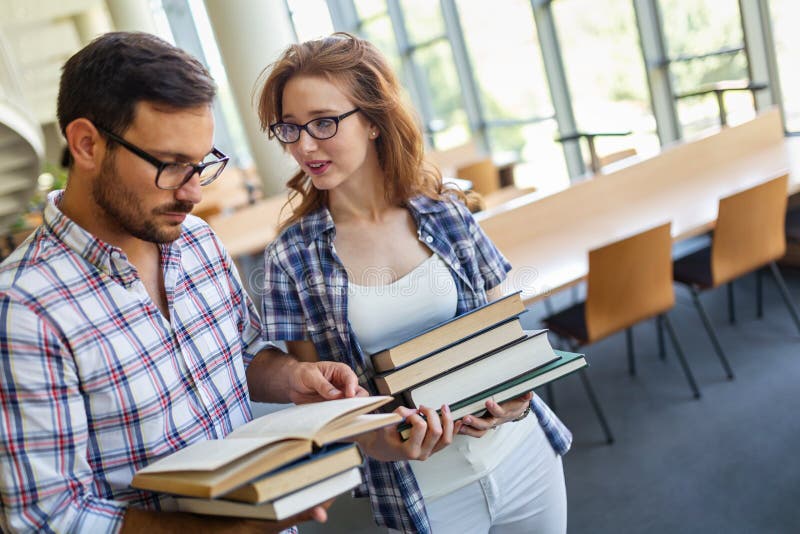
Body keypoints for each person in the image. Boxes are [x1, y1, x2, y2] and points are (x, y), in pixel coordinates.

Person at [0, 32, 366, 534]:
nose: (193, 192)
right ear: (87, 144)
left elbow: (243, 353)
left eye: (200, 164)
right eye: (171, 166)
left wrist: (293, 378)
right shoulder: (22, 310)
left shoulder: (196, 241)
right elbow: (50, 517)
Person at [255, 33, 573, 533]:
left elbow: (504, 331)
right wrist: (373, 440)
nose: (305, 146)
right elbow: (318, 399)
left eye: (323, 122)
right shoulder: (292, 257)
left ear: (374, 121)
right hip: (425, 495)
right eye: (290, 129)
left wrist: (517, 399)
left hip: (522, 457)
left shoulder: (445, 212)